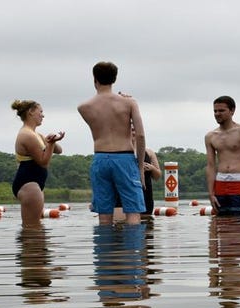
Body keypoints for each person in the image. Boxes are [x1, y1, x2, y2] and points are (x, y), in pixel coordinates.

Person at [77, 62, 147, 225]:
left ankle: (105, 249)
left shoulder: (84, 107)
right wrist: (141, 167)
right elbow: (141, 135)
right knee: (133, 210)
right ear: (114, 79)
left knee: (104, 213)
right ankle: (133, 249)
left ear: (94, 79)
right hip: (124, 157)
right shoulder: (129, 103)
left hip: (100, 158)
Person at [204, 96, 240, 216]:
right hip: (220, 182)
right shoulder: (210, 136)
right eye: (215, 111)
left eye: (221, 111)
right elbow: (210, 166)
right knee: (221, 222)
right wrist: (210, 193)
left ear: (232, 111)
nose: (217, 114)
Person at [10, 100, 65, 223]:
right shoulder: (27, 135)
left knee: (37, 230)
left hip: (35, 185)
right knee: (32, 228)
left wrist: (52, 140)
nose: (43, 115)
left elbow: (59, 150)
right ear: (31, 112)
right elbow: (43, 162)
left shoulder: (36, 135)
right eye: (40, 112)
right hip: (28, 185)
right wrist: (50, 144)